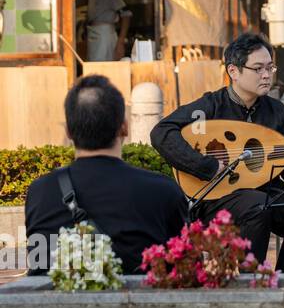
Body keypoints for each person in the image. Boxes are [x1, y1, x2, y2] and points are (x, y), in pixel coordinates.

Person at [151, 32, 284, 272]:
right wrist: (207, 166)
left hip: (266, 192)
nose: (267, 75)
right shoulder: (211, 106)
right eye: (258, 68)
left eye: (270, 67)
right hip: (216, 198)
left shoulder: (276, 111)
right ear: (233, 72)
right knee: (259, 207)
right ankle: (251, 285)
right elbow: (161, 132)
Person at [26, 76, 187, 276]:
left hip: (56, 305)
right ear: (124, 127)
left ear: (68, 131)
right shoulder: (164, 190)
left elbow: (39, 266)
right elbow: (184, 268)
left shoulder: (40, 191)